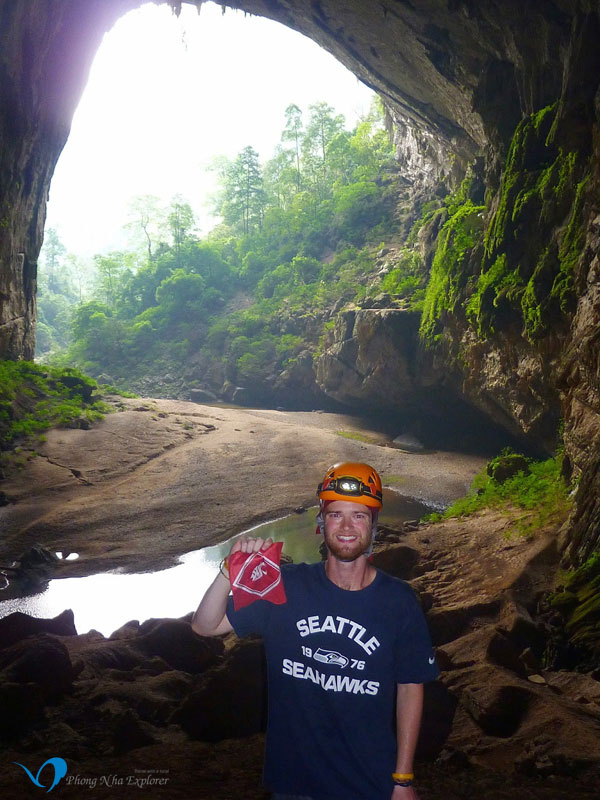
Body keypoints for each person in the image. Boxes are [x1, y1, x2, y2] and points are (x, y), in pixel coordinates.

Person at [192, 461, 438, 799]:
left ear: (373, 525)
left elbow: (410, 688)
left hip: (367, 782)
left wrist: (403, 779)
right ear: (322, 523)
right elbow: (205, 626)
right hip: (293, 781)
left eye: (360, 515)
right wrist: (228, 571)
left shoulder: (399, 602)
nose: (347, 526)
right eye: (336, 515)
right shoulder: (287, 586)